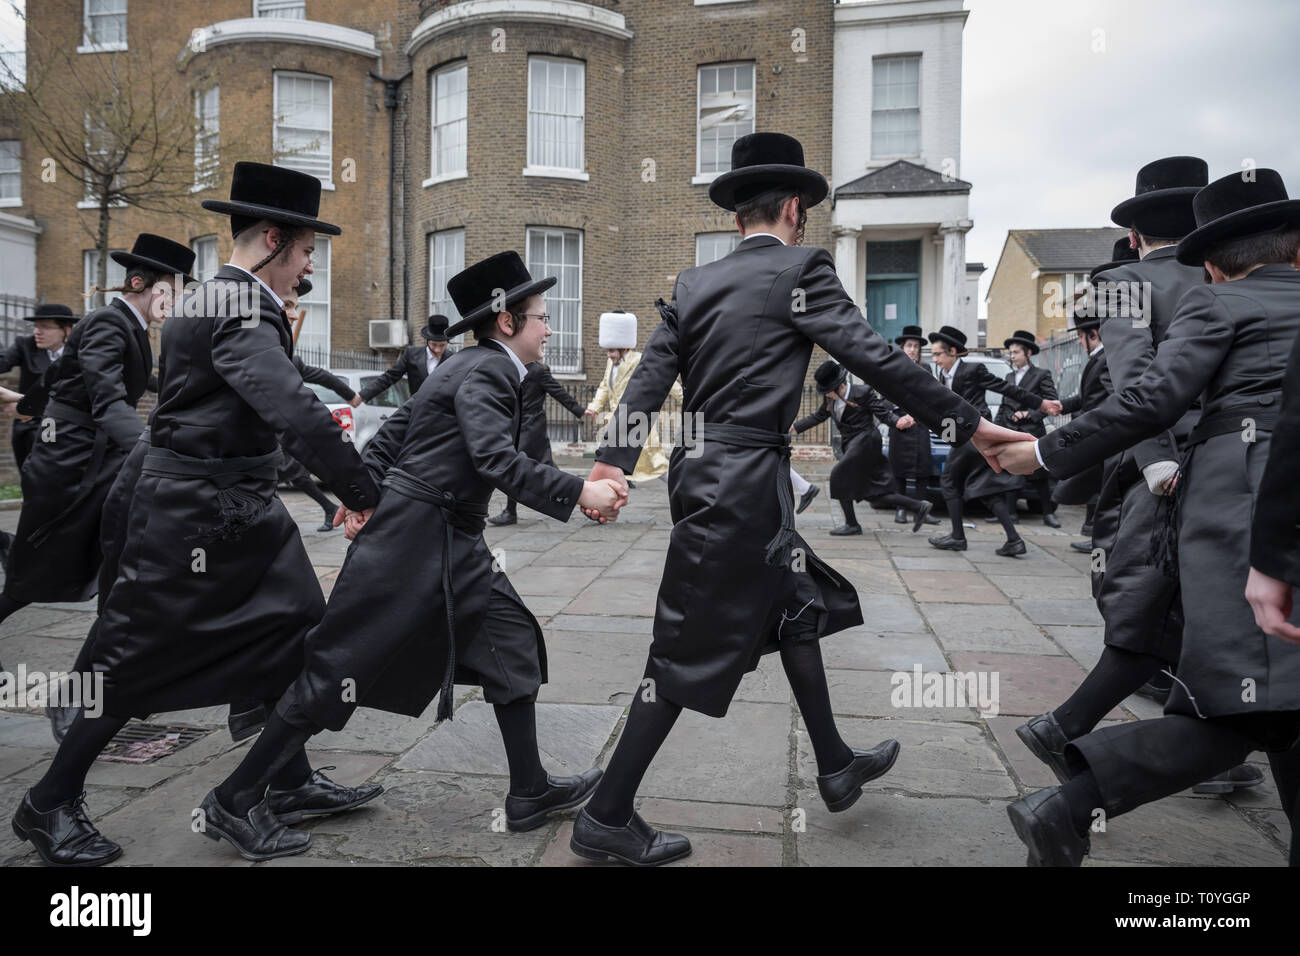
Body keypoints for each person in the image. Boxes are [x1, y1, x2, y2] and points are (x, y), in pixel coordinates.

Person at [573, 132, 1030, 865]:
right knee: (683, 652)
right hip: (744, 487)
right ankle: (606, 812)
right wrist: (971, 425)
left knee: (796, 610)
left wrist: (609, 465)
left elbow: (649, 384)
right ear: (795, 209)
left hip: (719, 476)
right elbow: (871, 356)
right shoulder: (803, 269)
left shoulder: (693, 284)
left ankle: (835, 765)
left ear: (735, 218)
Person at [197, 250, 627, 862]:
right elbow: (493, 460)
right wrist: (580, 489)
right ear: (506, 322)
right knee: (337, 670)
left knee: (512, 646)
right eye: (540, 316)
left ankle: (529, 790)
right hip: (418, 541)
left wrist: (361, 501)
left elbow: (393, 432)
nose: (549, 328)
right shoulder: (490, 372)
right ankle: (234, 797)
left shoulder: (462, 366)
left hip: (447, 538)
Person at [10, 163, 383, 866]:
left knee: (296, 627)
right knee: (130, 661)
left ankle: (287, 781)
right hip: (189, 514)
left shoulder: (227, 301)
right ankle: (47, 803)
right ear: (271, 237)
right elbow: (288, 406)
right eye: (305, 251)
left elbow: (258, 393)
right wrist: (364, 494)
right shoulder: (236, 305)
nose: (309, 267)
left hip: (238, 510)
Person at [994, 168, 1300, 865]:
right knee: (1248, 682)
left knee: (1260, 686)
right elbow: (1141, 385)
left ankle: (1068, 768)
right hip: (1224, 490)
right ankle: (1072, 788)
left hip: (1223, 489)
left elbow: (1146, 391)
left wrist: (1046, 453)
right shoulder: (1198, 296)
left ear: (1214, 263)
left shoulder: (1210, 299)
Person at [0, 236, 193, 635]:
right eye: (170, 292)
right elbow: (107, 400)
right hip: (70, 462)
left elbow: (60, 374)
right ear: (140, 284)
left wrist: (25, 405)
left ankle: (108, 653)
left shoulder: (130, 327)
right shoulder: (110, 321)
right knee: (45, 565)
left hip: (96, 458)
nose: (175, 301)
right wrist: (148, 449)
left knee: (116, 555)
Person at [925, 325, 1059, 557]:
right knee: (985, 489)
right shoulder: (942, 375)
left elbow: (1006, 388)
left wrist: (1041, 403)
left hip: (976, 434)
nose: (935, 359)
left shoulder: (973, 370)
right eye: (934, 354)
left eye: (938, 354)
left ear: (953, 351)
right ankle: (1014, 540)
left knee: (949, 481)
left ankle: (958, 537)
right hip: (962, 438)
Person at [792, 359, 932, 535]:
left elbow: (883, 413)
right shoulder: (832, 399)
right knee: (874, 492)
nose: (827, 395)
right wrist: (795, 427)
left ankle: (851, 524)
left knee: (838, 475)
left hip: (866, 442)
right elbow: (820, 416)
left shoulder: (862, 392)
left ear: (841, 386)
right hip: (852, 445)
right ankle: (919, 506)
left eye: (829, 392)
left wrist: (898, 422)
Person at [277, 279, 363, 533]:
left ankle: (304, 517)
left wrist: (349, 394)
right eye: (287, 307)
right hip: (274, 436)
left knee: (286, 476)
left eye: (294, 307)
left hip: (280, 434)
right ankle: (324, 508)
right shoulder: (273, 351)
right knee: (293, 476)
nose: (293, 315)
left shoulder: (289, 358)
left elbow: (321, 376)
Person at [584, 311, 683, 486]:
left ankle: (679, 488)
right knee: (611, 461)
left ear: (624, 347)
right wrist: (594, 407)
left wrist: (689, 400)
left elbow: (666, 382)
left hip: (636, 422)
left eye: (612, 351)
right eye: (607, 350)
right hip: (616, 422)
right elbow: (605, 387)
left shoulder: (638, 360)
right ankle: (608, 497)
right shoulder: (611, 363)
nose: (609, 355)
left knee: (656, 464)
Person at [488, 358, 586, 526]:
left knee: (515, 465)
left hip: (532, 428)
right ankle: (584, 497)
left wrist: (579, 411)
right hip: (518, 426)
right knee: (548, 467)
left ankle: (510, 512)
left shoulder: (537, 371)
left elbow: (558, 391)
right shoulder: (510, 366)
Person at [993, 330, 1060, 528]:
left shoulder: (1041, 375)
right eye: (1011, 353)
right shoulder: (1009, 376)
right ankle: (1010, 514)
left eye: (1016, 353)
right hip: (1011, 430)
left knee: (1038, 475)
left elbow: (1051, 403)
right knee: (1011, 472)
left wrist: (1029, 414)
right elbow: (1005, 403)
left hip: (1032, 432)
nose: (1012, 356)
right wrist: (997, 427)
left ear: (1028, 353)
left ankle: (1048, 513)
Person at [0, 303, 78, 472]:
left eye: (45, 327)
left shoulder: (79, 355)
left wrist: (25, 404)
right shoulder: (25, 346)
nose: (37, 331)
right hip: (29, 430)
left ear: (67, 331)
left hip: (66, 429)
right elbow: (3, 362)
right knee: (30, 483)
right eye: (36, 326)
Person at [881, 325, 938, 526]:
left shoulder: (926, 369)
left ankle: (922, 509)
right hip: (901, 425)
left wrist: (919, 412)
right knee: (899, 470)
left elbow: (932, 395)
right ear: (902, 347)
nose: (913, 349)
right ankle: (901, 509)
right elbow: (884, 399)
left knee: (923, 469)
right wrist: (901, 415)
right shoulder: (892, 368)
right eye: (909, 345)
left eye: (916, 346)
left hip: (920, 425)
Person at [359, 315, 450, 402]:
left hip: (444, 414)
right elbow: (390, 377)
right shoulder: (411, 354)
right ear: (427, 340)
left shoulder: (453, 359)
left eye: (442, 345)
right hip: (417, 410)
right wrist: (363, 395)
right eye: (434, 344)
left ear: (447, 342)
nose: (438, 350)